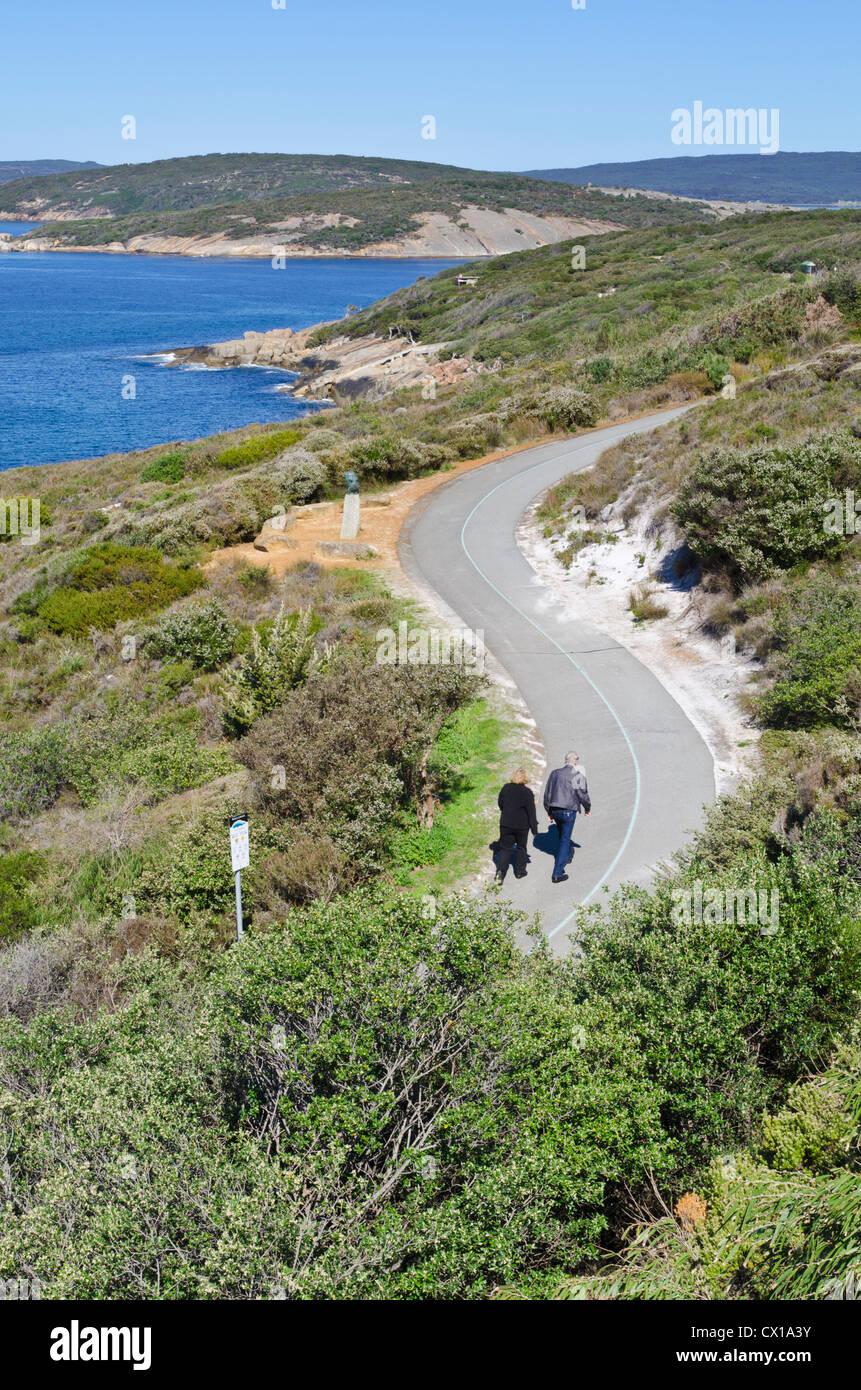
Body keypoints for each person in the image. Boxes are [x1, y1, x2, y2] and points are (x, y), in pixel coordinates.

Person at [543, 751, 591, 883]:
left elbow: (548, 794)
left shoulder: (555, 774)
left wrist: (549, 811)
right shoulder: (577, 775)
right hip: (569, 810)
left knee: (562, 835)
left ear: (565, 760)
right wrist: (587, 808)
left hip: (556, 809)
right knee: (565, 839)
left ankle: (567, 856)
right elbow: (582, 795)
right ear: (576, 762)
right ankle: (557, 873)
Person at [495, 768, 538, 881]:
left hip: (506, 823)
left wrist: (506, 811)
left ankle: (500, 873)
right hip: (521, 826)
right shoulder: (527, 793)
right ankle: (520, 871)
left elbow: (500, 803)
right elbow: (531, 813)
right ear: (526, 778)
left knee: (505, 848)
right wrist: (534, 830)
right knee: (521, 848)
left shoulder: (506, 788)